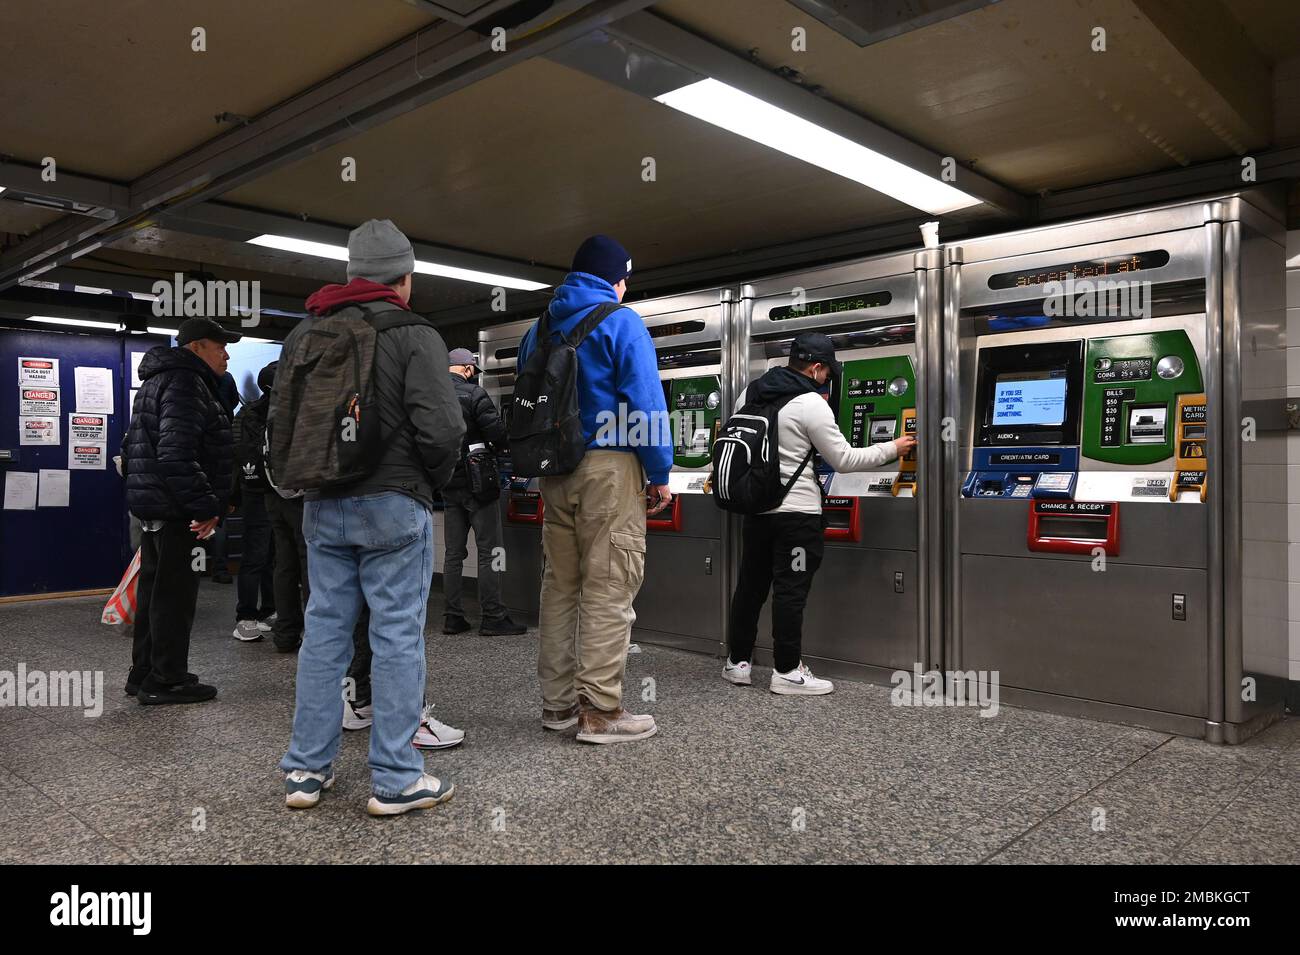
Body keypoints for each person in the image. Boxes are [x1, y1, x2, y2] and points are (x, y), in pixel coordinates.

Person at [279, 219, 465, 816]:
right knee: (396, 637)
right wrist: (428, 484)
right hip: (392, 504)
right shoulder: (415, 333)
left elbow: (283, 422)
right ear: (404, 278)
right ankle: (396, 779)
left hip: (321, 502)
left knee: (324, 633)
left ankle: (306, 772)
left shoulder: (307, 330)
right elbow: (443, 427)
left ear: (353, 273)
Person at [515, 235, 670, 745]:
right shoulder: (620, 321)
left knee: (560, 586)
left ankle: (558, 706)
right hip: (609, 465)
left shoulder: (538, 329)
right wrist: (660, 470)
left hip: (554, 469)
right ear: (615, 279)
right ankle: (601, 710)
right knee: (609, 583)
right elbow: (646, 402)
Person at [723, 332, 917, 695]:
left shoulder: (748, 393)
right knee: (790, 590)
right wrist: (894, 446)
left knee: (750, 587)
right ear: (815, 367)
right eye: (828, 372)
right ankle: (786, 671)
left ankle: (738, 662)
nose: (828, 379)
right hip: (797, 517)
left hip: (757, 509)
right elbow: (844, 460)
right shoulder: (811, 403)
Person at [124, 317, 240, 704]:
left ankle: (144, 673)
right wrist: (206, 506)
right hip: (182, 515)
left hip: (158, 509)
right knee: (177, 597)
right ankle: (167, 680)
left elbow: (135, 448)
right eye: (218, 345)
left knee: (156, 591)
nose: (225, 354)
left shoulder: (155, 382)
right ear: (195, 348)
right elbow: (177, 454)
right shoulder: (187, 384)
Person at [441, 347, 526, 637]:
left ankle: (453, 617)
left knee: (453, 554)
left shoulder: (433, 396)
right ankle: (493, 617)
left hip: (447, 483)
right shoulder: (474, 394)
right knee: (490, 551)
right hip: (479, 483)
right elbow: (498, 434)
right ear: (466, 368)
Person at [231, 363, 276, 641]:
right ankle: (252, 614)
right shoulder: (279, 412)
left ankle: (254, 614)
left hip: (253, 490)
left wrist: (234, 495)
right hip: (275, 492)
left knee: (260, 554)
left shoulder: (244, 413)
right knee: (269, 555)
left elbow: (235, 457)